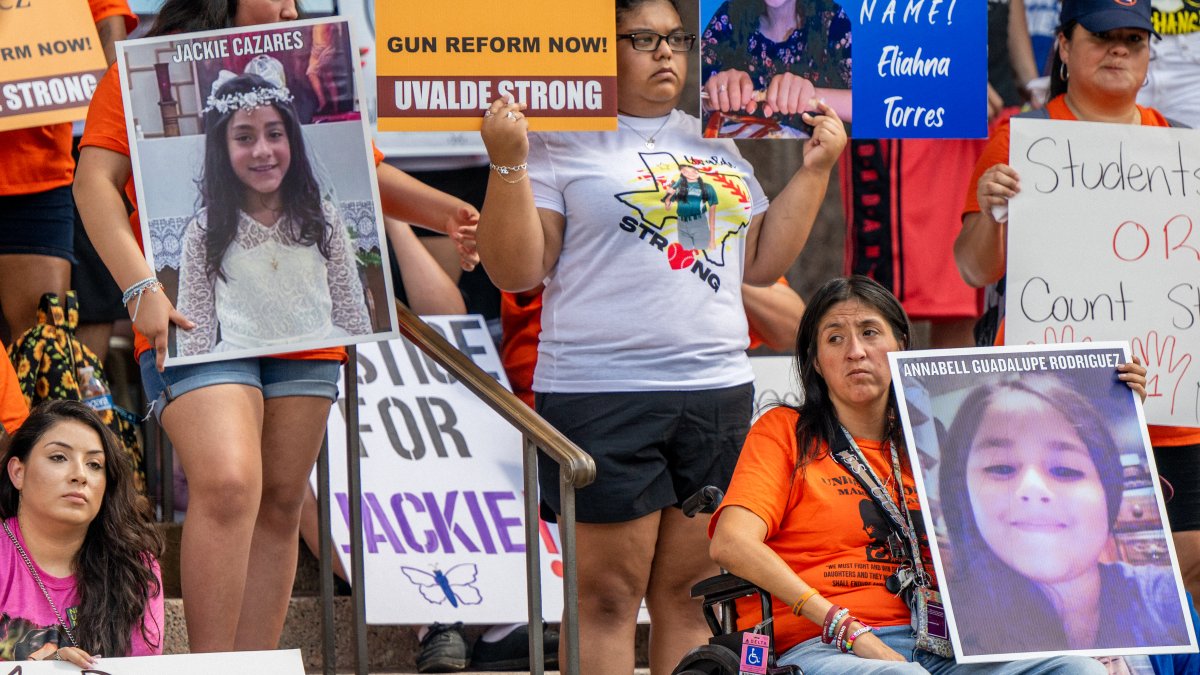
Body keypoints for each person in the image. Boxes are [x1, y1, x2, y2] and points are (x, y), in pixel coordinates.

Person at [73, 0, 480, 653]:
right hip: (195, 320)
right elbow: (94, 182)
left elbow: (360, 169)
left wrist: (449, 213)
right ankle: (211, 669)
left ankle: (255, 665)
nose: (292, 6)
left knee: (282, 499)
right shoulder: (145, 68)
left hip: (305, 326)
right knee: (230, 481)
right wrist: (140, 284)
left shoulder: (302, 72)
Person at [476, 0, 845, 670]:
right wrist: (508, 164)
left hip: (715, 392)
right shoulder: (558, 139)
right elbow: (516, 269)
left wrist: (816, 169)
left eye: (676, 37)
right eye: (643, 38)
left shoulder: (716, 139)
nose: (666, 51)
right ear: (603, 48)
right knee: (606, 599)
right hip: (600, 392)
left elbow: (760, 262)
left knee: (691, 596)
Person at [709, 276, 1147, 673]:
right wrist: (844, 627)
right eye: (835, 338)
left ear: (900, 344)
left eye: (869, 332)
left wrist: (1120, 401)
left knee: (1077, 670)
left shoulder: (931, 442)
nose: (855, 351)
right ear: (817, 362)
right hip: (825, 645)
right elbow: (731, 542)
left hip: (946, 647)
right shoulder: (786, 431)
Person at [955, 0, 1200, 603]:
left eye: (1134, 39)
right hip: (1051, 409)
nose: (1119, 49)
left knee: (1185, 578)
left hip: (1169, 406)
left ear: (1149, 55)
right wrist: (990, 210)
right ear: (1063, 46)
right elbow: (973, 268)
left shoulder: (1184, 148)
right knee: (1058, 581)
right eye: (1102, 36)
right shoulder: (1018, 138)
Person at [938, 374, 1189, 655]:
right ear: (961, 493)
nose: (1032, 489)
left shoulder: (1168, 603)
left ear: (1108, 492)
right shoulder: (943, 624)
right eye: (1002, 468)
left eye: (1065, 470)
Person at [175, 57, 371, 357]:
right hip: (242, 365)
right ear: (222, 149)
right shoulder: (205, 229)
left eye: (275, 134)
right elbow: (194, 333)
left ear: (291, 139)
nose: (263, 150)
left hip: (318, 358)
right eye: (244, 138)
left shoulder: (322, 217)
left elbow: (351, 313)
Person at [0, 0, 134, 344]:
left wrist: (109, 119)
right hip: (38, 164)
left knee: (40, 343)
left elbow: (108, 27)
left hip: (36, 170)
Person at [0, 400, 163, 667]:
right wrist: (47, 668)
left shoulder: (134, 567)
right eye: (58, 457)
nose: (80, 475)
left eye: (94, 464)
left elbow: (143, 670)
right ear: (18, 472)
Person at [701, 0, 852, 134]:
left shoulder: (831, 20)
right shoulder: (729, 16)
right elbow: (694, 98)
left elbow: (864, 106)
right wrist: (710, 98)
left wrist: (811, 97)